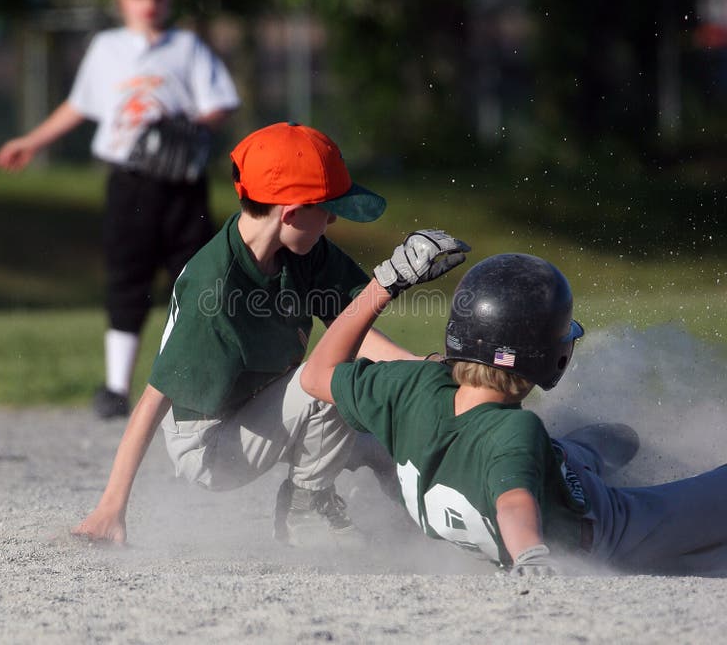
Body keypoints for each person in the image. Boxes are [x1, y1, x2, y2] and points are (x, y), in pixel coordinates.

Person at [71, 121, 423, 546]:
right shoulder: (215, 290)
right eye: (327, 208)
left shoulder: (303, 252)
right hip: (208, 445)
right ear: (291, 214)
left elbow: (357, 333)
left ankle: (416, 519)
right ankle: (305, 510)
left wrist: (431, 370)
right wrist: (111, 508)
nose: (332, 218)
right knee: (335, 375)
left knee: (375, 429)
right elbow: (153, 399)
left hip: (258, 406)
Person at [301, 239, 727, 576]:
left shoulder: (409, 386)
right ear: (548, 357)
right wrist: (531, 556)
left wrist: (383, 285)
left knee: (597, 445)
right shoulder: (516, 433)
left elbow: (315, 374)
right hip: (605, 528)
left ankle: (590, 452)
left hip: (531, 469)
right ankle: (591, 460)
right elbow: (514, 502)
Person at [0, 0, 241, 419]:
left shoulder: (186, 48)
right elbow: (79, 105)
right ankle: (115, 387)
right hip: (129, 184)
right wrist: (33, 141)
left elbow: (221, 102)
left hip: (181, 185)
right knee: (128, 277)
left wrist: (191, 123)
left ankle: (195, 379)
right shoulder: (107, 49)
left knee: (194, 278)